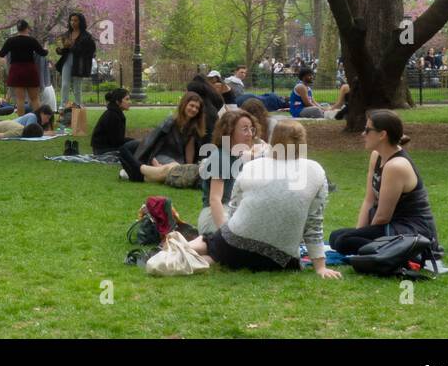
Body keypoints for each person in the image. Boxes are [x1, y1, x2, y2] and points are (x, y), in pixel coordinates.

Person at [184, 120, 340, 278]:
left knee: (212, 242)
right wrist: (320, 267)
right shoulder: (315, 171)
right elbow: (314, 223)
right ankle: (191, 256)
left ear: (273, 141)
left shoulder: (252, 166)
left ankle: (179, 251)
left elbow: (234, 209)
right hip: (280, 260)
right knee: (220, 248)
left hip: (234, 247)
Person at [329, 110, 441, 256]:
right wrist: (359, 232)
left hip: (411, 231)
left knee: (344, 241)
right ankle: (385, 249)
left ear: (382, 135)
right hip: (392, 226)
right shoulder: (376, 156)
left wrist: (362, 236)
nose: (363, 134)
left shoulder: (396, 166)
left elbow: (383, 216)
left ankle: (413, 252)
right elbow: (369, 200)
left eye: (367, 130)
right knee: (336, 237)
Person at [118, 92, 207, 183]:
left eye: (197, 108)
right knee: (174, 169)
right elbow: (152, 142)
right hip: (159, 154)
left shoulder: (193, 127)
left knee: (176, 170)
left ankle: (139, 174)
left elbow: (190, 148)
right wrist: (153, 161)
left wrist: (189, 167)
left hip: (176, 157)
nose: (194, 109)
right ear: (184, 104)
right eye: (191, 105)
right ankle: (138, 172)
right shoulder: (170, 122)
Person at [197, 108, 257, 237]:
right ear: (230, 131)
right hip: (214, 217)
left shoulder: (236, 155)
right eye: (244, 129)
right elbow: (215, 199)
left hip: (231, 210)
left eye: (251, 129)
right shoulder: (221, 157)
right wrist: (225, 235)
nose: (250, 134)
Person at [0, 20, 49, 114]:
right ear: (27, 28)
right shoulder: (32, 40)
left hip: (16, 70)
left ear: (17, 29)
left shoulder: (11, 41)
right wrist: (46, 47)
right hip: (30, 70)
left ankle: (21, 123)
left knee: (20, 100)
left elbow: (1, 54)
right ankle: (39, 121)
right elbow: (42, 53)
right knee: (34, 98)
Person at [55, 11, 96, 110]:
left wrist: (72, 46)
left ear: (80, 22)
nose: (73, 22)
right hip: (67, 60)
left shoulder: (86, 36)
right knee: (65, 84)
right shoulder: (66, 34)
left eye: (75, 20)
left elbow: (90, 51)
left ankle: (78, 104)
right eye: (71, 20)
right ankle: (63, 105)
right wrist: (60, 50)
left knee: (77, 85)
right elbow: (65, 49)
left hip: (80, 63)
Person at [90, 88, 130, 155]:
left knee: (136, 144)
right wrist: (134, 141)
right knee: (136, 145)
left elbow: (118, 139)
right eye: (127, 99)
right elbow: (117, 141)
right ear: (118, 102)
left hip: (107, 148)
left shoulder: (116, 113)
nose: (129, 102)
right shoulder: (113, 115)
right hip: (103, 150)